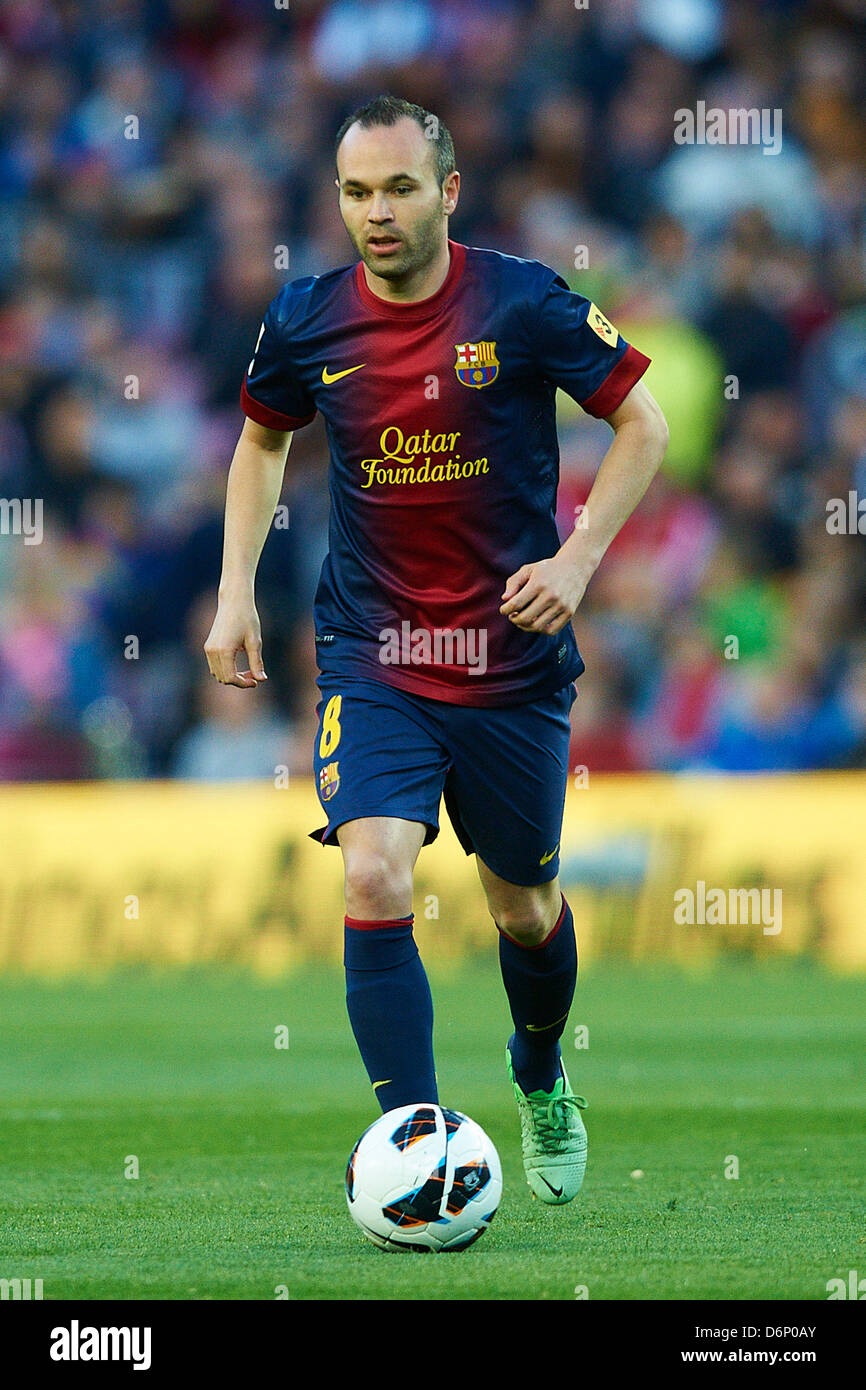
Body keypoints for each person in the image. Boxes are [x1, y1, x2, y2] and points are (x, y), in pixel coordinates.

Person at [204, 95, 668, 1205]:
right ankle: (414, 1144)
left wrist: (576, 560)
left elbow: (640, 421)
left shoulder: (521, 300)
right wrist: (234, 593)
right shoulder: (307, 319)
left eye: (399, 188)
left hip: (508, 660)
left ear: (447, 191)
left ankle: (540, 1069)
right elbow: (260, 441)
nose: (376, 211)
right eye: (356, 191)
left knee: (523, 909)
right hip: (374, 653)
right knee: (372, 868)